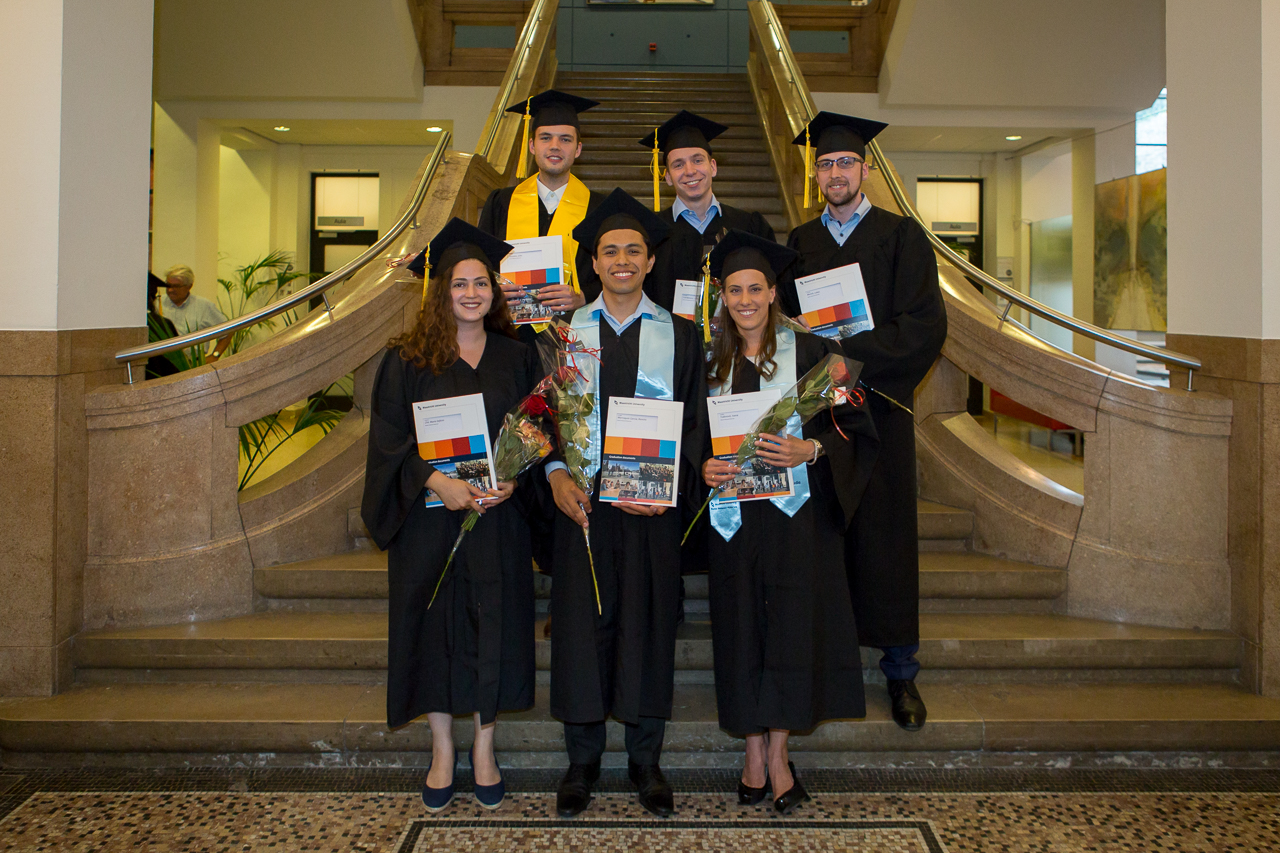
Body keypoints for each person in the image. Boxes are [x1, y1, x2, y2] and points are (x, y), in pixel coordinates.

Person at [360, 218, 541, 813]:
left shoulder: (519, 356)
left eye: (481, 283)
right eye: (459, 283)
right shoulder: (407, 360)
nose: (470, 292)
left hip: (497, 520)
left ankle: (485, 747)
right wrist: (436, 479)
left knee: (494, 626)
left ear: (495, 290)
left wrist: (514, 478)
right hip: (430, 522)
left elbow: (539, 431)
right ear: (441, 292)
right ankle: (442, 748)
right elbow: (388, 440)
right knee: (433, 629)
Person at [779, 112, 948, 732]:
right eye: (824, 164)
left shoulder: (902, 236)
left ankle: (901, 673)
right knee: (827, 539)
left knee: (886, 540)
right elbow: (785, 331)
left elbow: (925, 327)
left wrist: (852, 360)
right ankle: (832, 666)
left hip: (881, 413)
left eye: (844, 163)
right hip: (821, 418)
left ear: (865, 170)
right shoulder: (798, 243)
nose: (834, 173)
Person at [701, 230, 878, 814]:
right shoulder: (706, 361)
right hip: (734, 523)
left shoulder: (814, 353)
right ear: (721, 296)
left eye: (756, 288)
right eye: (734, 290)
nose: (746, 300)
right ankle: (752, 751)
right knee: (741, 629)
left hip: (797, 519)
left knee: (791, 630)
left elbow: (857, 424)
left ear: (774, 291)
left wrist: (814, 451)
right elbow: (688, 437)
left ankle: (777, 755)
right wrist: (701, 463)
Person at [545, 189, 707, 819]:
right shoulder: (565, 335)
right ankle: (582, 760)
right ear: (594, 264)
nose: (621, 260)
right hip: (582, 507)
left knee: (646, 627)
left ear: (648, 262)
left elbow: (695, 426)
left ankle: (645, 760)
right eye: (609, 250)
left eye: (633, 250)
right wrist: (556, 473)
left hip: (649, 513)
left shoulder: (681, 337)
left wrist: (668, 492)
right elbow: (542, 420)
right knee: (583, 631)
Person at [478, 89, 608, 340]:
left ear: (578, 149)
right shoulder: (501, 202)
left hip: (575, 336)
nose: (555, 146)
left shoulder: (599, 209)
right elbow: (482, 262)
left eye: (566, 139)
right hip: (507, 334)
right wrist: (493, 290)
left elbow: (614, 271)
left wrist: (582, 296)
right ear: (531, 146)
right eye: (546, 138)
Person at [639, 110, 776, 313]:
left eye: (697, 160)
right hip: (669, 340)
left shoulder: (748, 226)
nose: (690, 171)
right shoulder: (651, 232)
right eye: (678, 165)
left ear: (712, 166)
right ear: (667, 177)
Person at [158, 264, 232, 361]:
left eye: (176, 286)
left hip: (192, 364)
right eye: (168, 285)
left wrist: (215, 355)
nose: (170, 290)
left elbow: (228, 331)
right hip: (162, 364)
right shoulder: (157, 303)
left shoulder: (204, 306)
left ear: (189, 286)